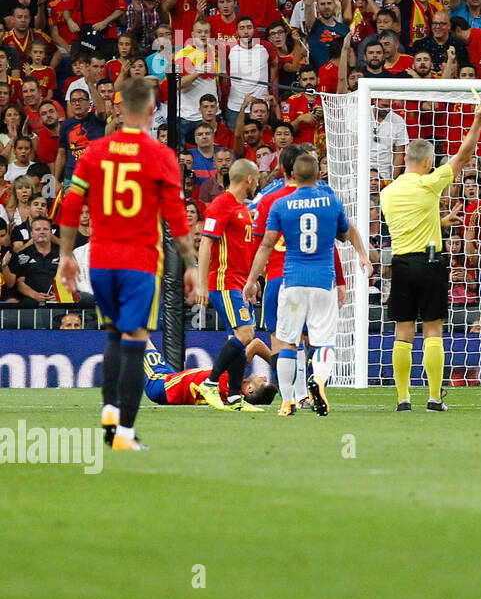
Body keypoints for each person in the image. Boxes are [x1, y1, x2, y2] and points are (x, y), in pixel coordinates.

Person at [55, 77, 200, 451]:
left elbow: (72, 204)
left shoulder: (94, 151)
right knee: (135, 341)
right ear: (152, 110)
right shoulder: (161, 156)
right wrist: (190, 264)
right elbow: (177, 219)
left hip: (101, 260)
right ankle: (124, 433)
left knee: (115, 336)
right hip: (138, 261)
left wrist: (67, 255)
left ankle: (108, 408)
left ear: (118, 108)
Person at [379, 100, 481, 412]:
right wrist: (478, 118)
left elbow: (408, 223)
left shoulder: (388, 192)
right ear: (428, 161)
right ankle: (433, 398)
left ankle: (402, 399)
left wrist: (438, 222)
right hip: (429, 263)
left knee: (403, 331)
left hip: (400, 263)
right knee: (432, 329)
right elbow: (464, 155)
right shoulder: (430, 184)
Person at [244, 149, 373, 417]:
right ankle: (320, 381)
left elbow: (266, 244)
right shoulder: (330, 201)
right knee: (323, 342)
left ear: (291, 174)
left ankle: (288, 401)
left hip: (291, 283)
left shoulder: (280, 204)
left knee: (288, 343)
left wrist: (252, 279)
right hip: (323, 282)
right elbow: (347, 232)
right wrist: (362, 255)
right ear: (318, 174)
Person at [192, 159, 261, 410]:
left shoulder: (241, 207)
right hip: (224, 280)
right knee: (246, 334)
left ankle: (233, 397)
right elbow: (207, 243)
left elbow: (242, 248)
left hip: (240, 282)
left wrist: (252, 281)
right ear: (250, 180)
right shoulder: (221, 205)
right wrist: (201, 284)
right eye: (257, 179)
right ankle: (210, 383)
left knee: (238, 338)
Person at [142, 339, 276, 409]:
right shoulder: (231, 394)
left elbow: (257, 345)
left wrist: (277, 369)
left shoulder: (228, 380)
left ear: (250, 390)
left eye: (263, 382)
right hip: (174, 384)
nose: (263, 377)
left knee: (140, 338)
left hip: (161, 385)